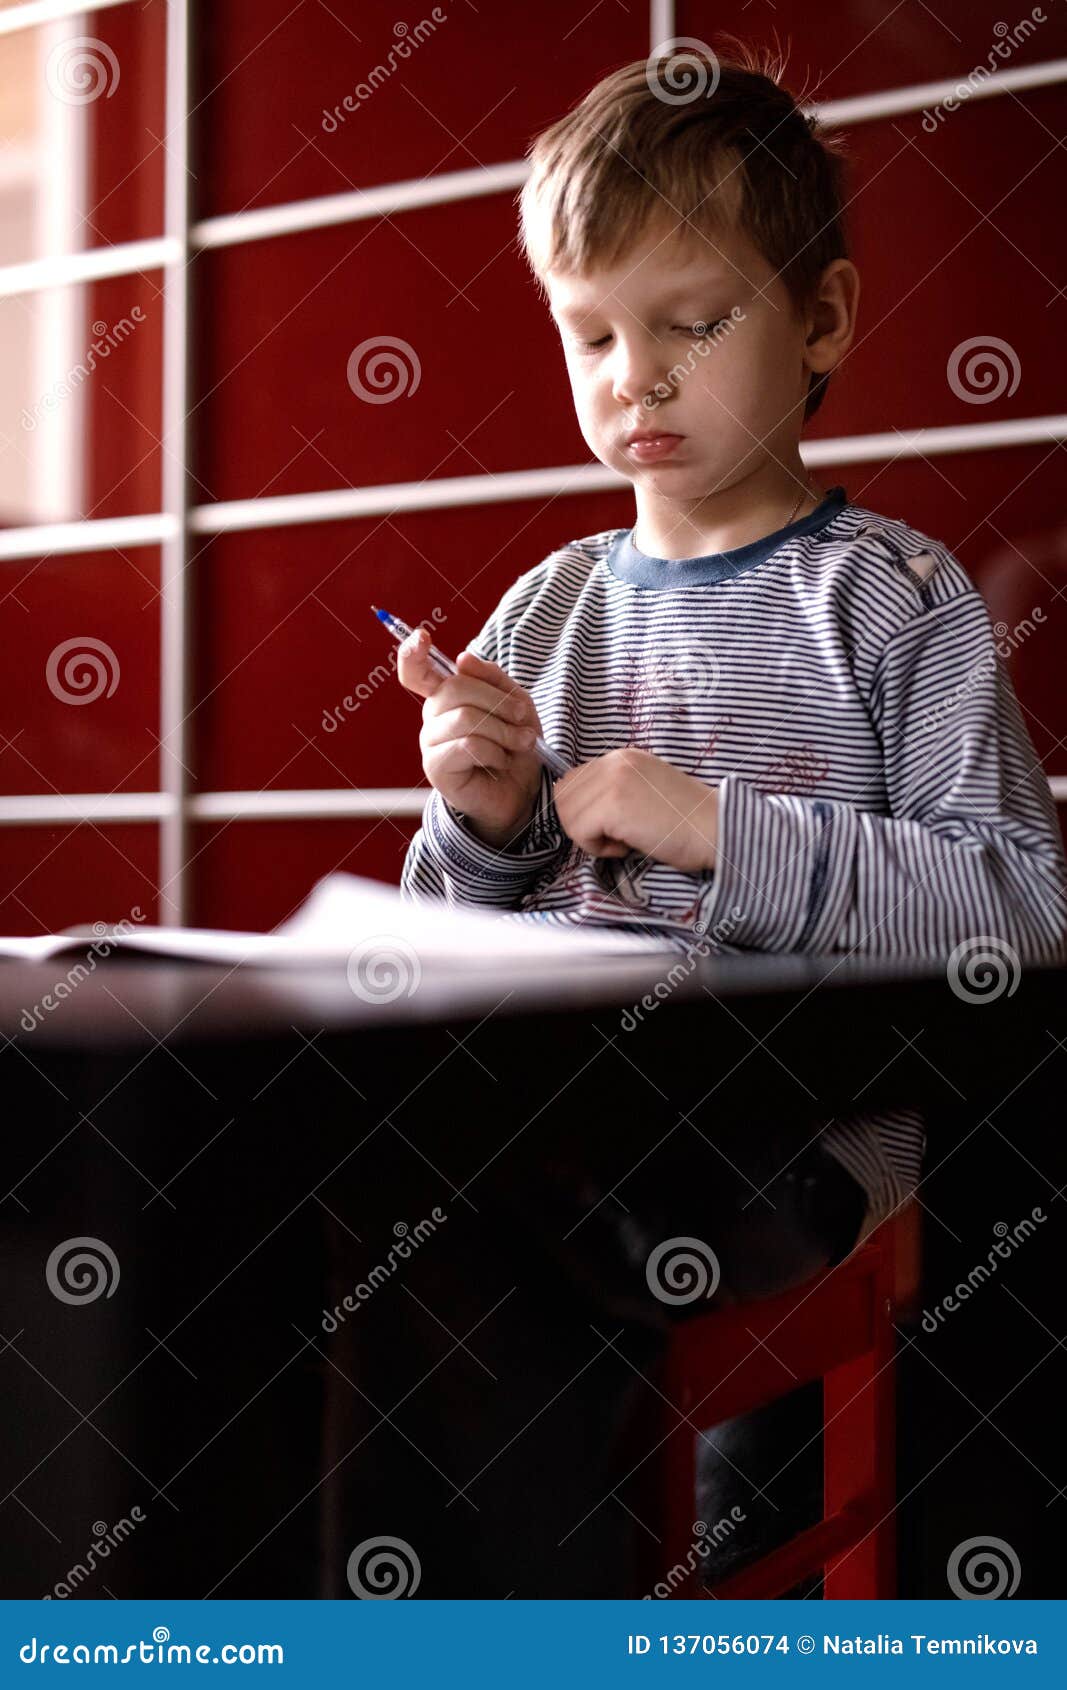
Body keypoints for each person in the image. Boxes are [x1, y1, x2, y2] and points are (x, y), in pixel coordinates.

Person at [388, 42, 1067, 1592]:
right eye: (593, 336)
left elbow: (1026, 911)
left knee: (544, 1266)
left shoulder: (894, 598)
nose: (637, 376)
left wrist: (716, 829)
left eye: (693, 324)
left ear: (820, 318)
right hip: (561, 1103)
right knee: (356, 1214)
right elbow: (435, 962)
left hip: (788, 1128)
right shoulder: (549, 609)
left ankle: (622, 1591)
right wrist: (487, 831)